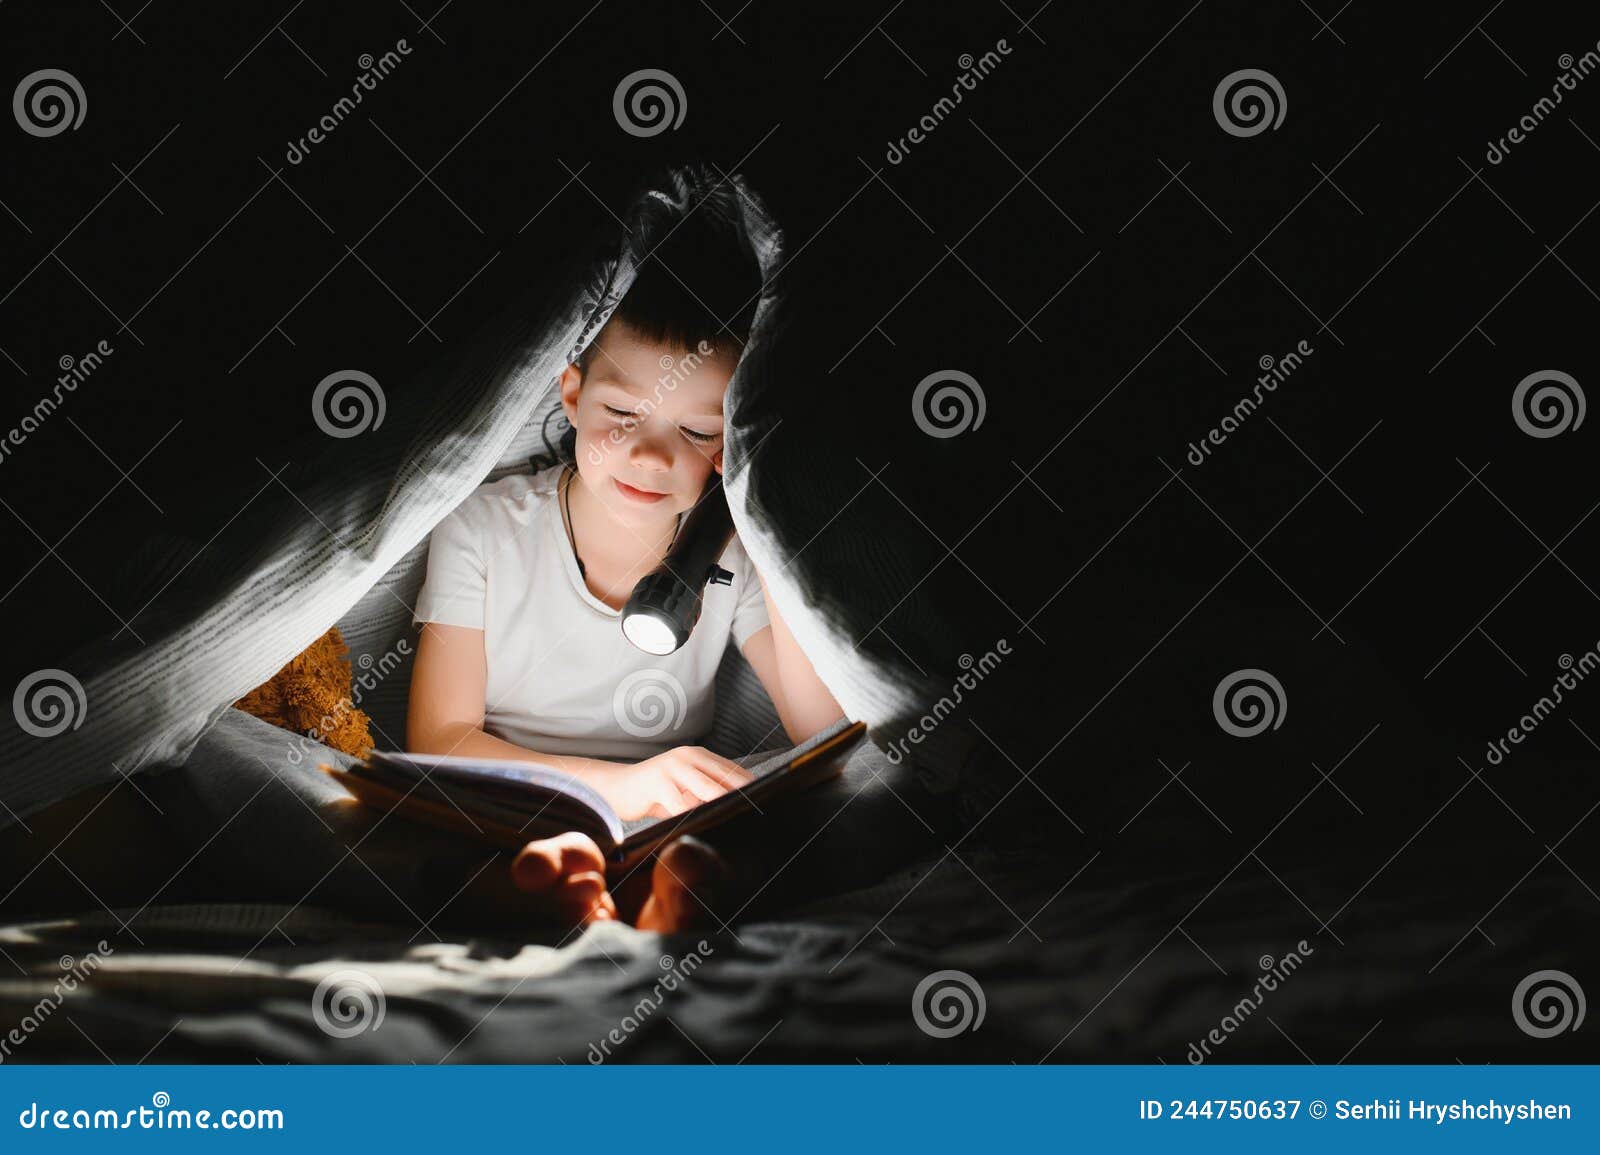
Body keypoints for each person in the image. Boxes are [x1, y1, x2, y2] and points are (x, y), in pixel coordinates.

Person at [406, 190, 846, 930]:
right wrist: (628, 784)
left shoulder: (729, 556)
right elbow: (441, 740)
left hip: (663, 823)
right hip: (511, 803)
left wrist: (763, 515)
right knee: (473, 852)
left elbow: (823, 731)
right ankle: (558, 895)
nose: (650, 454)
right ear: (572, 395)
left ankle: (664, 903)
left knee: (748, 847)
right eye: (621, 414)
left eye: (699, 429)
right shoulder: (483, 531)